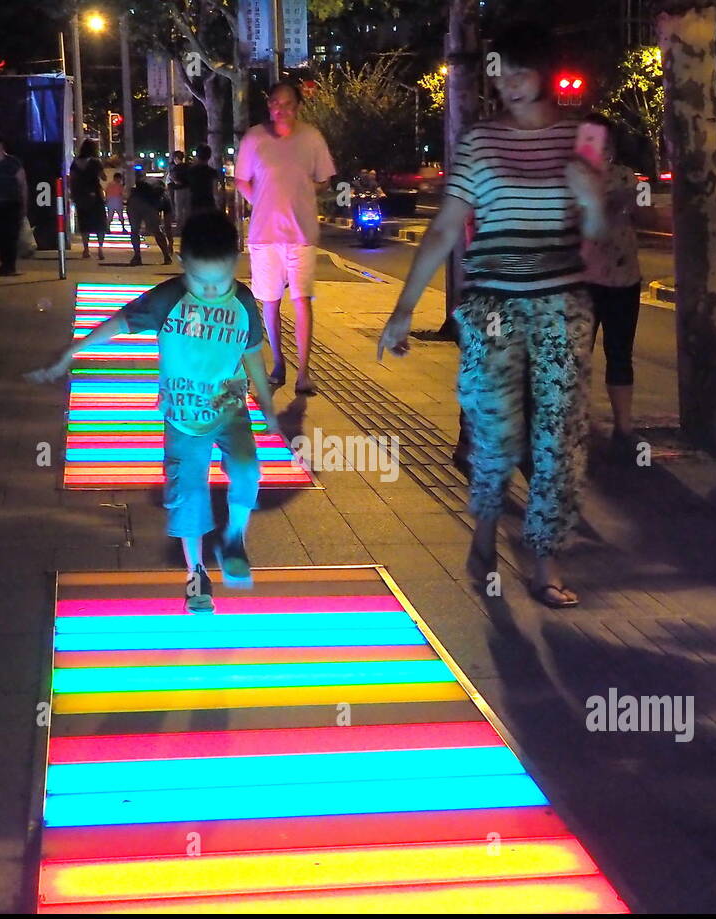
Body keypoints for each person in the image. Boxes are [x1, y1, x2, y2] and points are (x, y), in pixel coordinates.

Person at [377, 23, 607, 609]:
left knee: (559, 435)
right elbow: (446, 227)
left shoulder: (581, 139)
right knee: (494, 428)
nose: (506, 80)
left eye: (517, 68)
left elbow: (601, 241)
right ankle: (483, 532)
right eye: (498, 69)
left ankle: (545, 560)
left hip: (562, 305)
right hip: (495, 305)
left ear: (545, 72)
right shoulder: (479, 142)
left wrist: (591, 200)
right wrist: (403, 311)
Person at [25, 213, 279, 612]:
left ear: (236, 263)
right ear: (182, 266)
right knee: (188, 494)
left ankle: (234, 538)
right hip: (183, 415)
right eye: (200, 281)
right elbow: (118, 323)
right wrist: (71, 353)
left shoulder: (243, 301)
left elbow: (252, 357)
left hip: (230, 408)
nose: (211, 291)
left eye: (220, 281)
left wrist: (268, 407)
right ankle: (196, 572)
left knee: (248, 471)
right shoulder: (168, 298)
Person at [235, 81, 337, 395]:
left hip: (302, 233)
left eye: (289, 104)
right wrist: (263, 201)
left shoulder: (312, 138)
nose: (283, 110)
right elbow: (241, 180)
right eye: (277, 103)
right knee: (270, 301)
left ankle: (304, 372)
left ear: (298, 106)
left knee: (302, 300)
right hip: (264, 235)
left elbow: (325, 179)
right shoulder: (254, 138)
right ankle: (278, 363)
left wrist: (301, 194)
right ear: (269, 104)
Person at [576, 113, 643, 459]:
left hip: (623, 279)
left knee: (620, 354)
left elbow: (626, 202)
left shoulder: (625, 176)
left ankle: (624, 428)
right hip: (582, 281)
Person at [0, 134, 28, 276]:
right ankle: (5, 263)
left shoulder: (13, 163)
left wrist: (24, 205)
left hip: (11, 203)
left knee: (10, 235)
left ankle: (9, 264)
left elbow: (22, 184)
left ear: (0, 146)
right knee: (0, 235)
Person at [126, 167, 173, 266]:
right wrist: (170, 243)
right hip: (148, 206)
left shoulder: (145, 188)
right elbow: (168, 226)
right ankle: (166, 256)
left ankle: (137, 256)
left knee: (134, 231)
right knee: (156, 231)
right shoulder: (165, 198)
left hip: (134, 202)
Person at [69, 139, 107, 260]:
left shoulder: (75, 163)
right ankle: (100, 249)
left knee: (84, 223)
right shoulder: (96, 162)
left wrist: (73, 194)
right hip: (96, 196)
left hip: (81, 196)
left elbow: (72, 180)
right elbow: (104, 177)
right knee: (99, 223)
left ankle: (86, 249)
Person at [166, 150, 192, 240]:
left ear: (176, 158)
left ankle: (180, 229)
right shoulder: (188, 167)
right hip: (188, 190)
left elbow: (173, 178)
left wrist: (175, 183)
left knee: (179, 210)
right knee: (188, 209)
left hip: (179, 190)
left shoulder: (175, 168)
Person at [188, 145, 220, 215]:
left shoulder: (191, 171)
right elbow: (215, 190)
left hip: (195, 202)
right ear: (209, 157)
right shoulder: (212, 172)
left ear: (197, 156)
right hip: (209, 202)